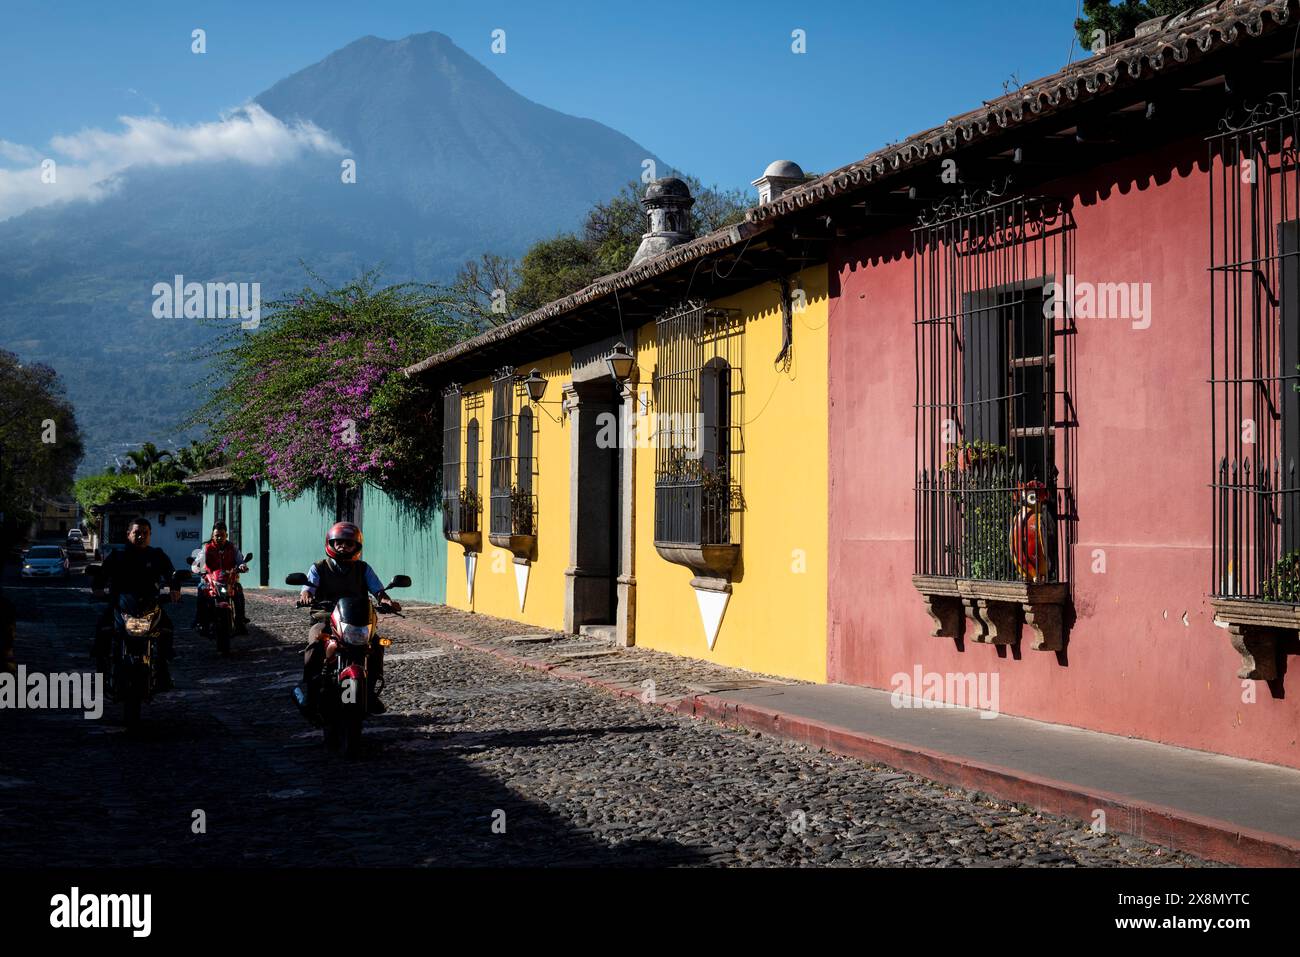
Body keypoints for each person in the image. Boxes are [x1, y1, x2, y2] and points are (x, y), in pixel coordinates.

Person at [293, 521, 401, 720]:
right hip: (325, 617)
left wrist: (386, 600)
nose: (343, 546)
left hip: (357, 619)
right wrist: (306, 594)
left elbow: (378, 590)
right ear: (330, 544)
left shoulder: (362, 568)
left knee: (377, 644)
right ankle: (310, 687)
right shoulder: (319, 567)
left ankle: (369, 691)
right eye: (339, 542)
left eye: (348, 543)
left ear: (356, 546)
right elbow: (308, 587)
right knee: (315, 641)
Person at [91, 518, 181, 691]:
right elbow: (101, 575)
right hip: (121, 605)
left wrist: (174, 588)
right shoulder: (117, 556)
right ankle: (101, 670)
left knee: (167, 627)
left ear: (150, 535)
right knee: (102, 628)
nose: (140, 536)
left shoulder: (157, 555)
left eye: (144, 533)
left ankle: (162, 668)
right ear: (128, 534)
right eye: (136, 533)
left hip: (150, 606)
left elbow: (171, 573)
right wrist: (97, 588)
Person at [197, 521, 248, 635]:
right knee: (201, 589)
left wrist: (242, 566)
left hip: (229, 580)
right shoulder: (207, 548)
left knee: (239, 590)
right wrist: (196, 567)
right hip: (211, 581)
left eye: (222, 535)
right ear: (212, 536)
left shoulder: (232, 548)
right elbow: (198, 562)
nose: (219, 538)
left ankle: (240, 620)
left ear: (226, 535)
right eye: (216, 535)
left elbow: (240, 560)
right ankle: (200, 621)